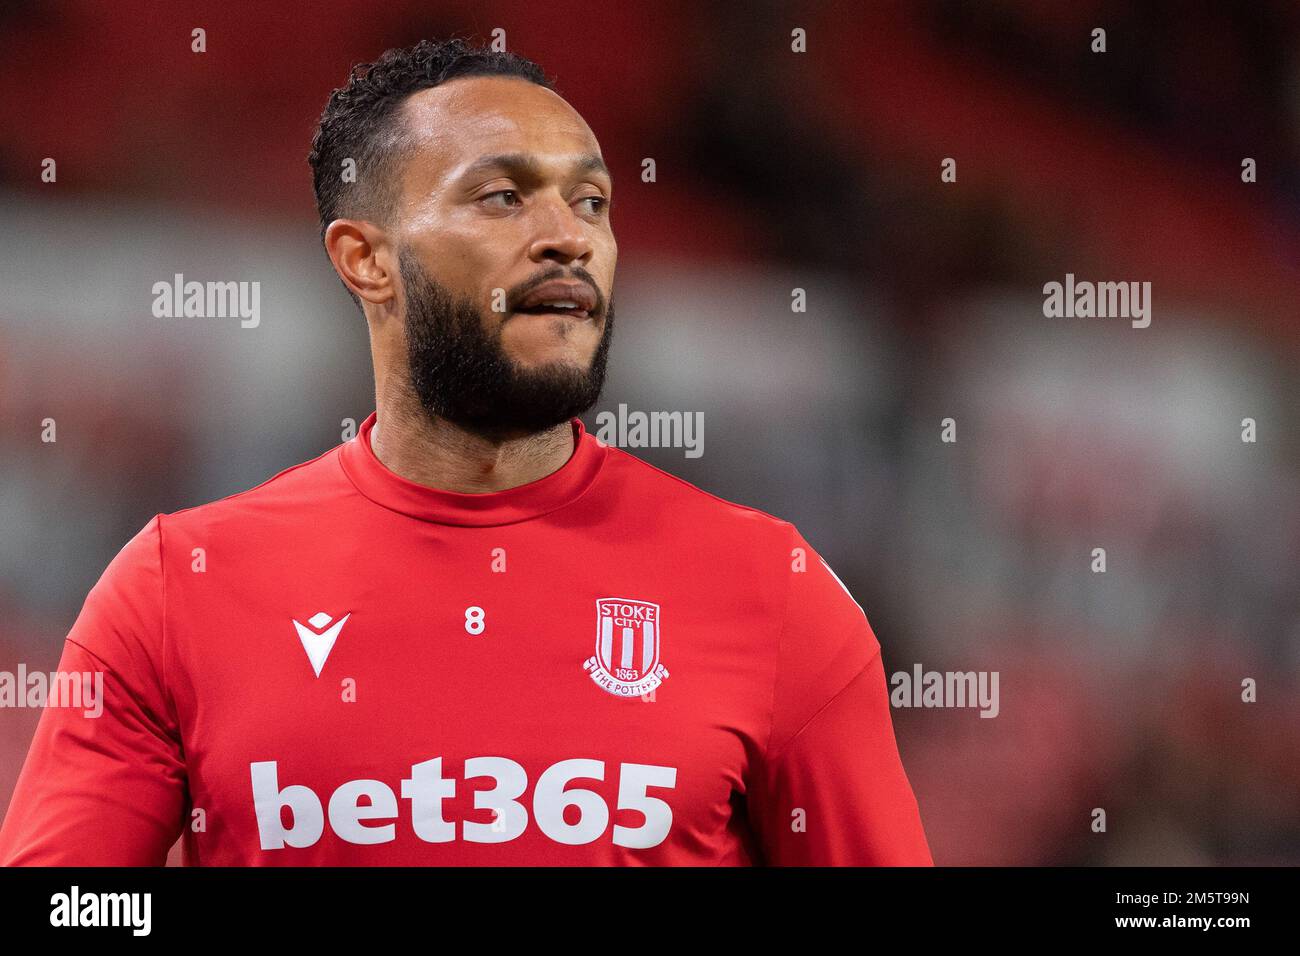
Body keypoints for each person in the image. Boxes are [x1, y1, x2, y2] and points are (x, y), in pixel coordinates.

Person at [0, 38, 932, 866]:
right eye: (502, 197)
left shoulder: (772, 589)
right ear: (365, 259)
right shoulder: (174, 587)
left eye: (592, 201)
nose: (569, 237)